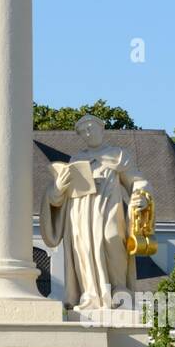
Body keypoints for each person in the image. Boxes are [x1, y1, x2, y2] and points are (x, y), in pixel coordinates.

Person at [39, 113, 153, 310]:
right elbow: (59, 197)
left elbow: (137, 180)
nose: (88, 133)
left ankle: (119, 288)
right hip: (82, 214)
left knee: (112, 239)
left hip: (110, 208)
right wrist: (58, 187)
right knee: (85, 249)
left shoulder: (118, 155)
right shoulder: (76, 160)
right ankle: (90, 294)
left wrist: (140, 195)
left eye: (91, 128)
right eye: (83, 131)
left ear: (102, 129)